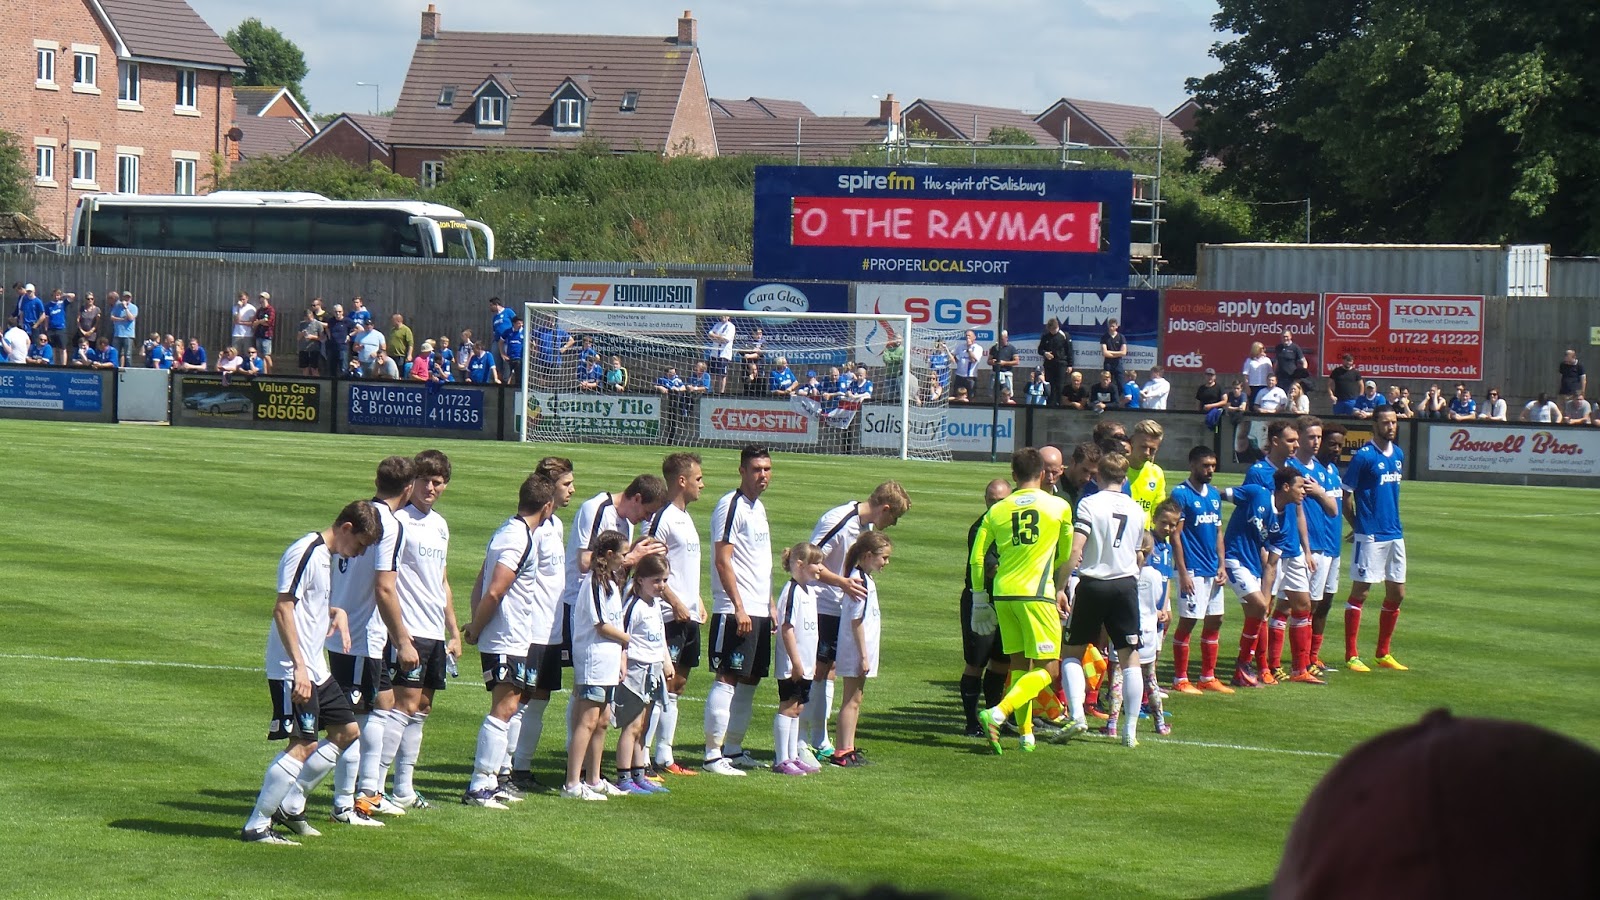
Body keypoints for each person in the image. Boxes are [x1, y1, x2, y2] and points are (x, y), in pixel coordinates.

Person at [241, 500, 381, 844]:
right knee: (303, 744)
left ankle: (291, 805)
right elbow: (283, 608)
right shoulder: (304, 551)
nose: (360, 554)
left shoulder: (326, 557)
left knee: (347, 731)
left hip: (315, 667)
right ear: (346, 528)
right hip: (294, 668)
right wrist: (300, 668)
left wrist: (335, 611)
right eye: (360, 544)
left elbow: (308, 602)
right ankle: (257, 825)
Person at [325, 457, 414, 825]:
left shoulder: (361, 514)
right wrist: (403, 639)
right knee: (355, 720)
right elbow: (384, 586)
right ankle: (348, 803)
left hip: (349, 630)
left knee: (385, 703)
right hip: (360, 636)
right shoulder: (389, 525)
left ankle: (369, 792)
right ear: (408, 488)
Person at [459, 475, 557, 809]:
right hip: (504, 636)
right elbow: (495, 588)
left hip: (512, 636)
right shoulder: (517, 538)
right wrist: (476, 627)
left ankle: (490, 782)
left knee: (511, 707)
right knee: (502, 710)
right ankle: (479, 785)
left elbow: (481, 579)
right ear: (546, 506)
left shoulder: (512, 532)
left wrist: (476, 623)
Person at [970, 447, 1074, 755]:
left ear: (1014, 476)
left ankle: (1026, 735)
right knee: (1049, 669)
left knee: (1018, 664)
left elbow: (978, 557)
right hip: (1037, 595)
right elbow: (1066, 553)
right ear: (1042, 473)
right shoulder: (1058, 506)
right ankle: (999, 712)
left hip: (1003, 594)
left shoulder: (997, 510)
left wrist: (979, 597)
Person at [801, 482, 911, 762]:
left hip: (842, 608)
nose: (892, 524)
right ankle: (802, 740)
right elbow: (808, 561)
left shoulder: (867, 529)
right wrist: (842, 583)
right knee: (816, 670)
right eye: (894, 518)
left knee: (832, 670)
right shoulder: (838, 520)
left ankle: (820, 739)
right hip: (822, 603)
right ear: (885, 509)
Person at [383, 449, 463, 810]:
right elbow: (386, 578)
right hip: (409, 628)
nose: (431, 488)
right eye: (425, 481)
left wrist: (454, 630)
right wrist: (397, 633)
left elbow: (442, 580)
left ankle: (404, 787)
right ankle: (375, 786)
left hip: (434, 630)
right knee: (403, 705)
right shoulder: (399, 521)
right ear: (411, 482)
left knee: (424, 707)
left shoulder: (440, 525)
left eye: (438, 482)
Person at [1060, 451, 1149, 747]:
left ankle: (1077, 716)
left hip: (1094, 583)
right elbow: (1139, 553)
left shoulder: (1089, 503)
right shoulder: (1137, 510)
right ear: (1124, 478)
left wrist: (1061, 585)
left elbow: (1076, 550)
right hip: (1125, 585)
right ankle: (1130, 732)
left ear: (1098, 475)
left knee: (1072, 652)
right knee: (1130, 658)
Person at [504, 457, 578, 797]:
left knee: (540, 699)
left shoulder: (557, 526)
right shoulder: (526, 530)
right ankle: (502, 770)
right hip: (529, 629)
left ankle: (521, 767)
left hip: (551, 627)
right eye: (566, 485)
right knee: (517, 701)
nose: (572, 491)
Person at [703, 446, 775, 775]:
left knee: (751, 679)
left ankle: (732, 749)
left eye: (767, 469)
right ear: (742, 471)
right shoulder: (730, 506)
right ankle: (711, 754)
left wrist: (770, 604)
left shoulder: (758, 509)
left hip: (758, 609)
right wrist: (739, 607)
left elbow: (761, 562)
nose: (763, 475)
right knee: (728, 677)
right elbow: (723, 559)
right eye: (757, 469)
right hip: (737, 610)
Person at [643, 453, 707, 778]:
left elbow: (680, 567)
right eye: (698, 479)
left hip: (688, 614)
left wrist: (695, 599)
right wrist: (674, 600)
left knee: (677, 684)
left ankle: (665, 756)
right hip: (668, 615)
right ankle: (641, 758)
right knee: (659, 684)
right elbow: (648, 566)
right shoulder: (662, 517)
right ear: (681, 481)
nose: (702, 485)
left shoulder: (686, 517)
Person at [1222, 466, 1307, 688]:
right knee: (1257, 609)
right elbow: (1219, 494)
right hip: (1233, 559)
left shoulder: (1285, 524)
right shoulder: (1256, 493)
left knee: (1259, 610)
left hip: (1253, 567)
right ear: (1286, 487)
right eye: (1300, 487)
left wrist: (1267, 597)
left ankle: (1243, 669)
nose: (1304, 491)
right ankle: (1243, 665)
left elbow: (1271, 566)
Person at [563, 530, 632, 801]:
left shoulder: (612, 583)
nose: (627, 559)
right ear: (610, 555)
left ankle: (593, 778)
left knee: (603, 721)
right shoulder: (594, 582)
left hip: (609, 660)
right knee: (588, 720)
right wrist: (629, 640)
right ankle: (572, 782)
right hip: (593, 659)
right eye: (624, 554)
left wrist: (623, 654)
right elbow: (601, 625)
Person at [1342, 408, 1408, 673]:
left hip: (1395, 533)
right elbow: (1346, 496)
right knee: (1361, 592)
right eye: (1386, 422)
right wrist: (1357, 526)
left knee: (1397, 593)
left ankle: (1383, 653)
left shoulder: (1399, 454)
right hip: (1370, 534)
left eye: (1394, 422)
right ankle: (1352, 655)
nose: (1391, 426)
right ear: (1374, 425)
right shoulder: (1363, 456)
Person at [1169, 446, 1233, 695]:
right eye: (1205, 465)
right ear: (1192, 465)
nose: (1210, 470)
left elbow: (1218, 532)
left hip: (1212, 569)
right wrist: (1183, 572)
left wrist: (1222, 565)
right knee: (1188, 621)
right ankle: (1180, 678)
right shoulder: (1181, 494)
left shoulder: (1214, 496)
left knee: (1215, 620)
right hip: (1193, 569)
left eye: (1213, 465)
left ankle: (1208, 676)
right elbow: (1176, 536)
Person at [612, 553, 674, 795]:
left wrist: (665, 661)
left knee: (644, 725)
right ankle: (624, 776)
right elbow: (622, 638)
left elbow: (660, 637)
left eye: (665, 580)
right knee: (632, 725)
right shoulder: (634, 606)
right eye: (657, 580)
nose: (662, 586)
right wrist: (622, 663)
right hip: (636, 669)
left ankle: (638, 772)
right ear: (640, 580)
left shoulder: (654, 604)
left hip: (653, 669)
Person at [831, 531, 893, 767]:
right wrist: (863, 656)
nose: (885, 562)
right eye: (883, 557)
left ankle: (848, 747)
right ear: (868, 555)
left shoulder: (863, 578)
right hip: (856, 649)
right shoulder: (858, 581)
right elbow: (856, 621)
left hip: (860, 649)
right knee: (851, 700)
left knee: (856, 699)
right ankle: (842, 750)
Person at [959, 479, 1013, 736]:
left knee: (1002, 662)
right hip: (981, 602)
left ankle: (993, 719)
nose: (995, 505)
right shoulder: (981, 527)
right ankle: (971, 723)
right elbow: (990, 568)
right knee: (976, 662)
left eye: (1000, 501)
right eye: (991, 500)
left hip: (1005, 600)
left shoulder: (1011, 525)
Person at [771, 543, 825, 775]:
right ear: (800, 565)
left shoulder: (808, 591)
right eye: (817, 563)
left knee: (798, 708)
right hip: (794, 664)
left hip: (806, 664)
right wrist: (796, 662)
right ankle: (782, 759)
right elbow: (787, 628)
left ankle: (793, 755)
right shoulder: (791, 591)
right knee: (788, 706)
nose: (821, 568)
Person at [1309, 422, 1347, 673]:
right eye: (1332, 444)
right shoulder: (1312, 471)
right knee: (1308, 605)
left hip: (1334, 548)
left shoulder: (1334, 471)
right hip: (1317, 547)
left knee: (1326, 603)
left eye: (1340, 445)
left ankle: (1313, 656)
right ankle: (1299, 657)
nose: (1336, 449)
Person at [706, 315, 736, 394]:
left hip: (724, 354)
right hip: (714, 353)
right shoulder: (717, 325)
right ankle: (711, 390)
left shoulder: (731, 326)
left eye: (725, 316)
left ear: (728, 317)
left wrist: (715, 337)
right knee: (712, 373)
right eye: (721, 316)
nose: (723, 317)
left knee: (722, 374)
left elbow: (726, 340)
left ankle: (721, 392)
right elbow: (710, 334)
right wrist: (719, 337)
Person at [988, 329, 1019, 397]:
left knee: (1007, 394)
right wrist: (992, 362)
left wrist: (1004, 363)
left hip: (1006, 375)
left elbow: (1016, 361)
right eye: (999, 339)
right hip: (995, 374)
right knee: (994, 394)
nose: (1000, 341)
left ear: (1006, 338)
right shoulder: (994, 348)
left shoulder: (1012, 348)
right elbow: (988, 361)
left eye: (1002, 339)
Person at [110, 292, 138, 367]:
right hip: (117, 334)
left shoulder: (134, 307)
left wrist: (126, 308)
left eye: (128, 297)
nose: (127, 299)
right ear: (122, 298)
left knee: (127, 355)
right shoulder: (117, 306)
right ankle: (116, 370)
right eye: (125, 297)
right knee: (116, 353)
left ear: (131, 298)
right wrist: (122, 319)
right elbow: (112, 317)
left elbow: (131, 318)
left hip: (128, 335)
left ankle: (128, 370)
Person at [1243, 341, 1273, 410]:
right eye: (1261, 349)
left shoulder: (1267, 360)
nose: (1263, 350)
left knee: (1264, 404)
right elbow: (1246, 375)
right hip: (1253, 386)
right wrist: (1247, 387)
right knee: (1253, 404)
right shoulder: (1249, 361)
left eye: (1263, 348)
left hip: (1264, 385)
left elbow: (1270, 373)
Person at [953, 330, 982, 400]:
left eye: (969, 336)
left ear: (974, 337)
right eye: (966, 336)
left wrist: (969, 348)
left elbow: (973, 360)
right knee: (957, 396)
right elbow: (954, 357)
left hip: (970, 377)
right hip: (959, 375)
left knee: (970, 396)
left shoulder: (978, 348)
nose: (967, 337)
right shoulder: (960, 347)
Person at [324, 305, 351, 377]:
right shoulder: (331, 320)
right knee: (332, 368)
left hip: (343, 348)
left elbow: (359, 328)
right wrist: (329, 335)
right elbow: (326, 326)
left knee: (343, 368)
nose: (338, 313)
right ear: (333, 312)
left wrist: (349, 335)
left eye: (339, 312)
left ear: (343, 312)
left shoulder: (347, 320)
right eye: (336, 312)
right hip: (332, 348)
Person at [44, 289, 70, 365]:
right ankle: (54, 364)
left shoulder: (62, 303)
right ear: (52, 296)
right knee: (53, 348)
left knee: (63, 348)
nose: (56, 297)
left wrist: (64, 295)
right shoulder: (48, 305)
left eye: (58, 295)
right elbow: (46, 317)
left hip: (61, 328)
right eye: (55, 295)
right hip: (51, 329)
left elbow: (72, 296)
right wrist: (46, 328)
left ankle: (63, 365)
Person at [297, 309, 324, 376]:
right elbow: (298, 338)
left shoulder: (318, 324)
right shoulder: (302, 324)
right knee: (305, 368)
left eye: (309, 318)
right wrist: (302, 334)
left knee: (314, 368)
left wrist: (313, 337)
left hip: (314, 349)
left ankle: (316, 383)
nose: (308, 320)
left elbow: (322, 338)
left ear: (312, 316)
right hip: (303, 349)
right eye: (306, 318)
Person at [1099, 318, 1127, 383]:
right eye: (1110, 326)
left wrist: (1110, 352)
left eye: (1113, 326)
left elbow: (1124, 352)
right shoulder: (1104, 337)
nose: (1111, 328)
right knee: (1107, 382)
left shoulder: (1121, 337)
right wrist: (1118, 353)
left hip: (1118, 363)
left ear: (1117, 326)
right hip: (1108, 363)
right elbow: (1105, 353)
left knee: (1120, 383)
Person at [740, 326, 767, 394]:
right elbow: (742, 352)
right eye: (757, 334)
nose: (759, 335)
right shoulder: (748, 342)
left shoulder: (763, 342)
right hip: (748, 365)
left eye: (760, 333)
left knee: (760, 381)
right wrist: (752, 351)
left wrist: (750, 355)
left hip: (759, 365)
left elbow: (760, 353)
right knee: (746, 379)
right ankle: (748, 390)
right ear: (753, 334)